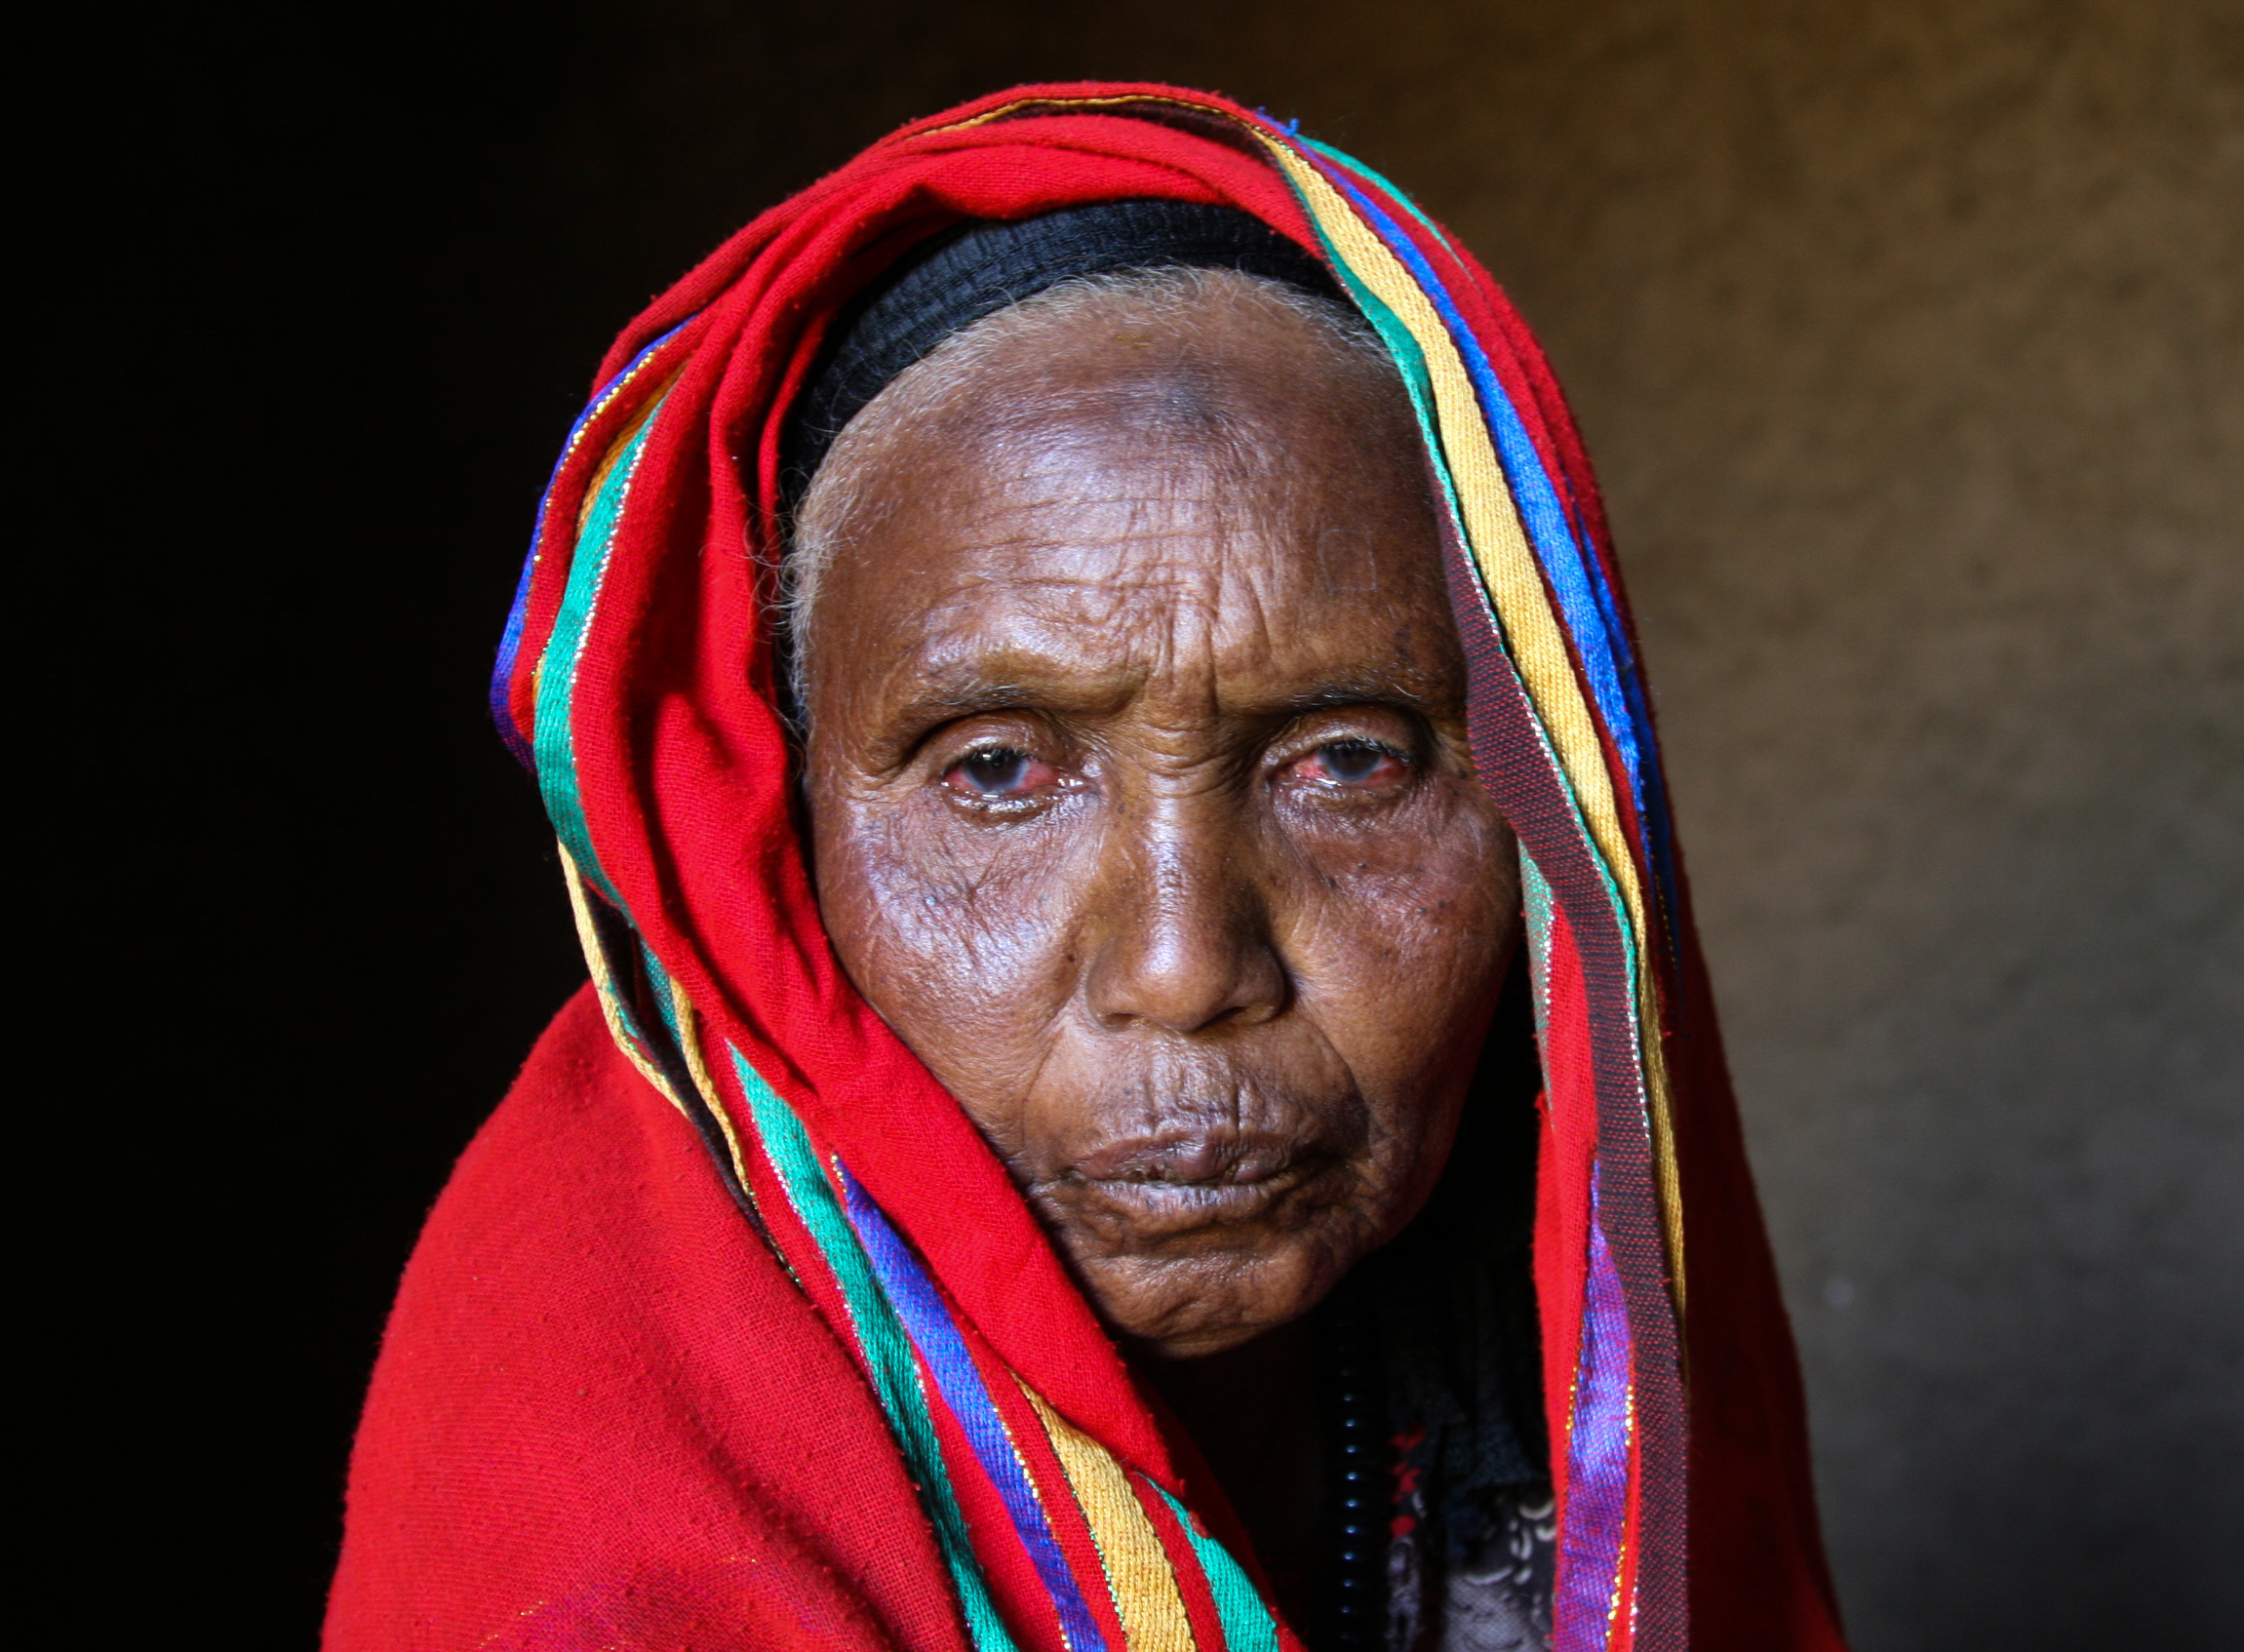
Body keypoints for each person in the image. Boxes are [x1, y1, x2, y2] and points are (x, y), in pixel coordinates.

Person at [326, 84, 1847, 1652]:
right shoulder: (596, 1551)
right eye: (996, 770)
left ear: (1553, 818)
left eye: (1346, 759)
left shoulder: (1563, 1324)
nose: (1186, 967)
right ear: (768, 855)